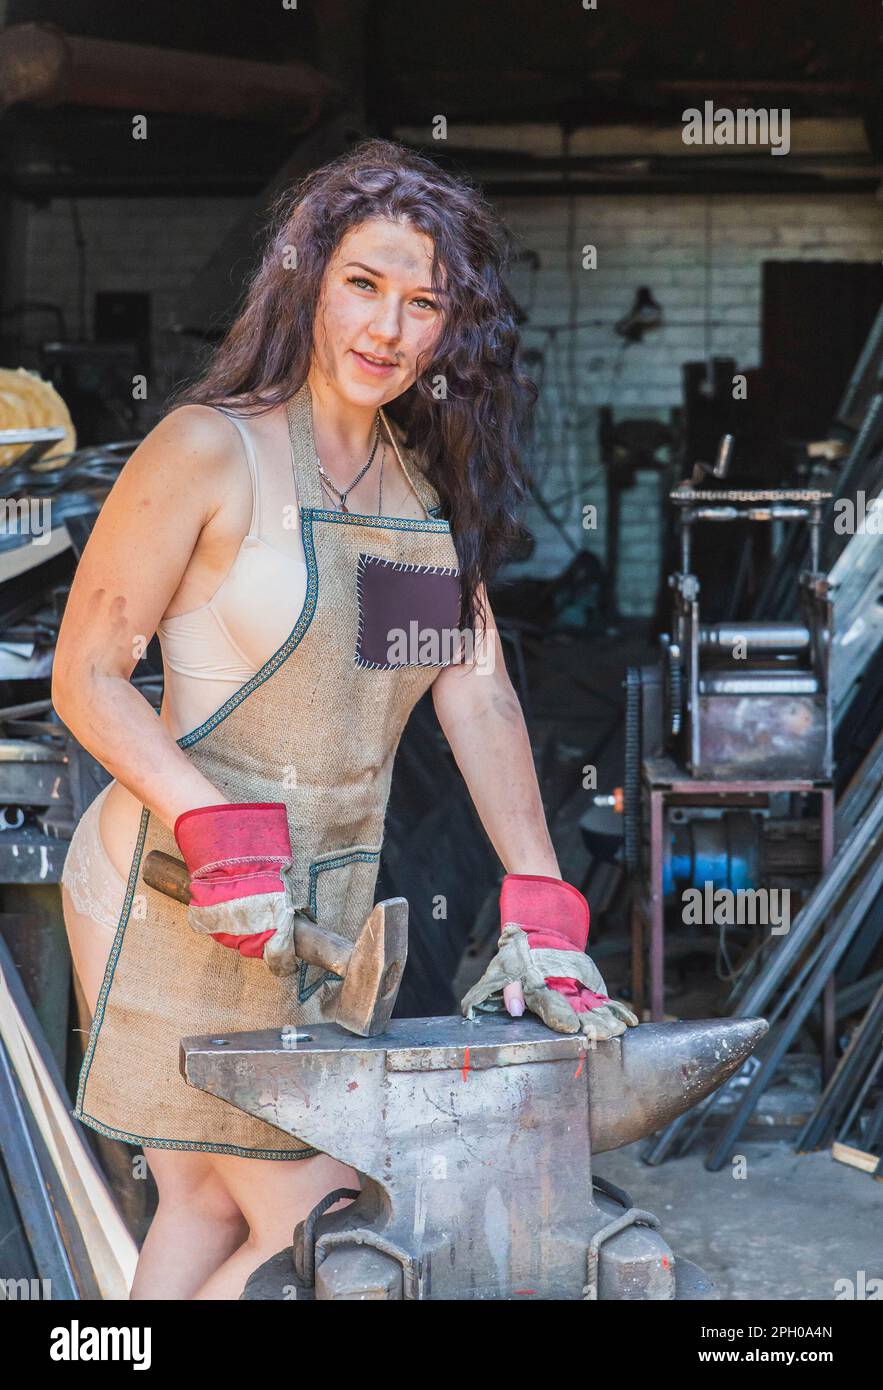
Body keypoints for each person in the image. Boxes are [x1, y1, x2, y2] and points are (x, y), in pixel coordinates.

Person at [53, 137, 637, 1302]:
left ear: (449, 330)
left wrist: (538, 896)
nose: (388, 327)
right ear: (306, 280)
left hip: (320, 905)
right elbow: (89, 675)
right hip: (169, 890)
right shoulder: (212, 448)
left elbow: (469, 689)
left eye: (424, 303)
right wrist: (211, 824)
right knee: (349, 1231)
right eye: (363, 285)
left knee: (208, 1204)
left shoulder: (414, 496)